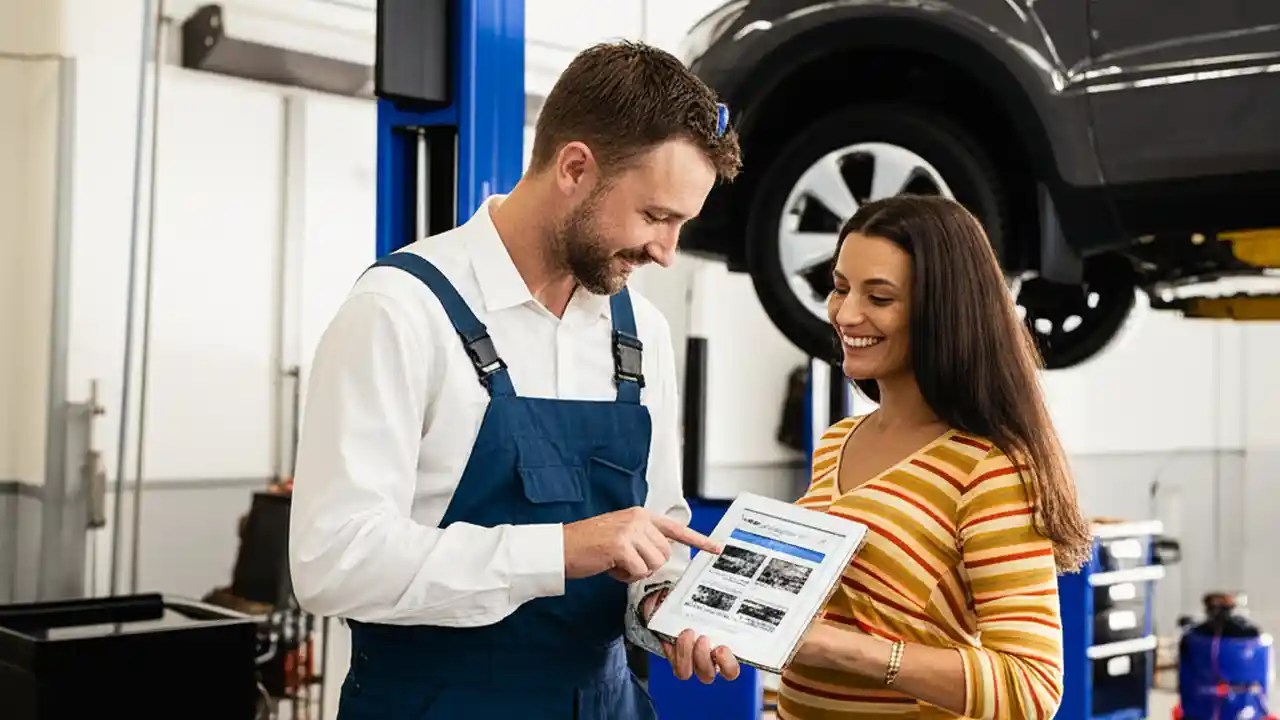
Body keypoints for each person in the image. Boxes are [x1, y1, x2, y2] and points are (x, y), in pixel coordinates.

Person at [287, 41, 743, 719]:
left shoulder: (642, 331)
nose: (665, 252)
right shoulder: (399, 312)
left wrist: (665, 607)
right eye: (655, 217)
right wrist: (559, 550)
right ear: (576, 168)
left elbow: (658, 537)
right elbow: (333, 562)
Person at [779, 195, 1092, 719]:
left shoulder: (989, 469)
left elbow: (1032, 687)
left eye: (879, 297)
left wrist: (834, 647)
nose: (845, 313)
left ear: (941, 309)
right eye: (839, 288)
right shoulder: (837, 442)